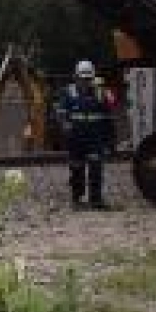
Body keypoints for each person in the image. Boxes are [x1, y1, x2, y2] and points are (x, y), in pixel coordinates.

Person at [56, 59, 114, 209]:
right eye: (83, 78)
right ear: (76, 77)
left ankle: (96, 200)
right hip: (75, 138)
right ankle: (77, 199)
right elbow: (61, 113)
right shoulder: (68, 92)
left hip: (95, 138)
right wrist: (65, 126)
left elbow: (108, 117)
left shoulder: (101, 93)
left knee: (96, 168)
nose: (85, 82)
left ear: (93, 77)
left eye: (88, 78)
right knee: (77, 169)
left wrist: (109, 141)